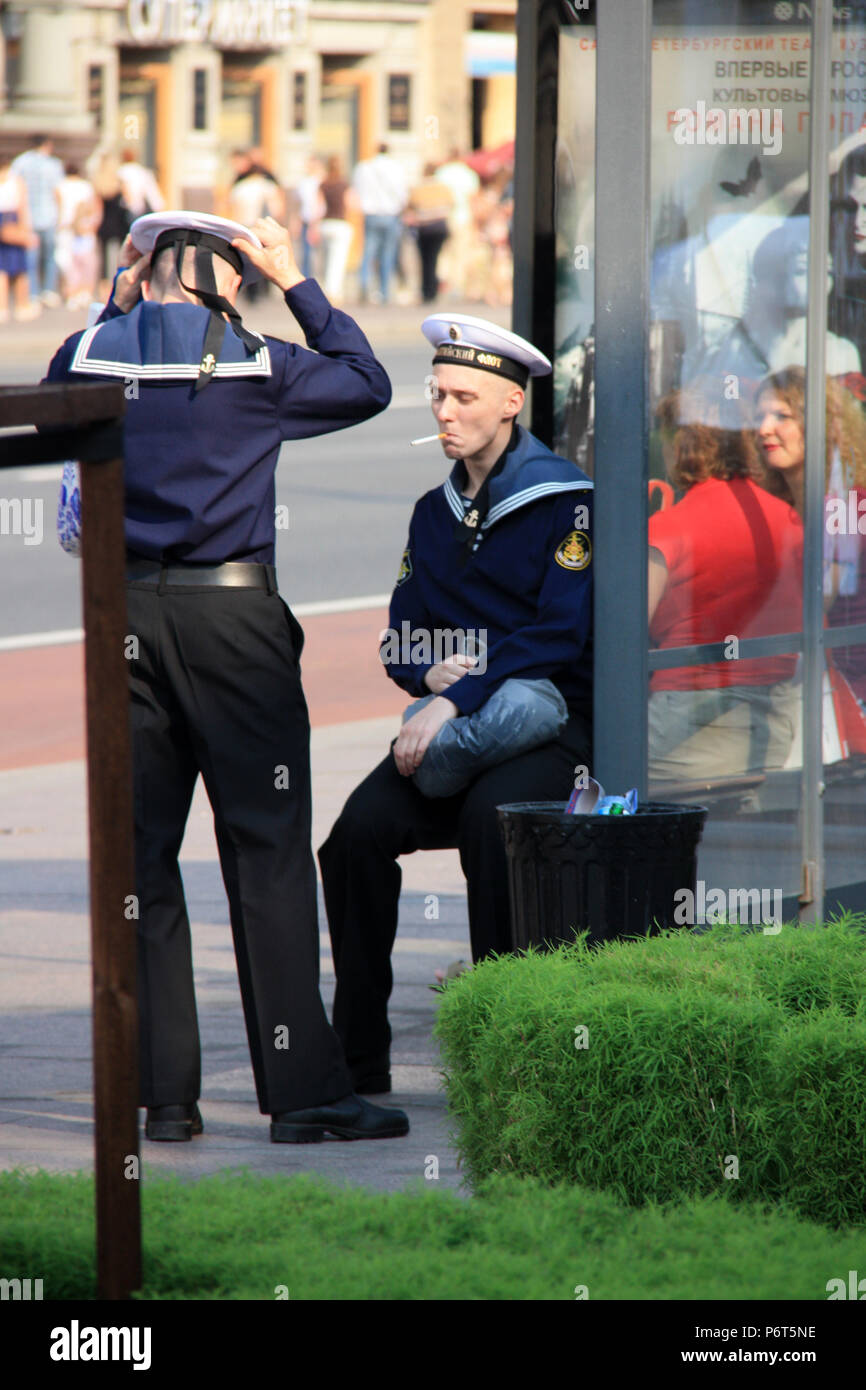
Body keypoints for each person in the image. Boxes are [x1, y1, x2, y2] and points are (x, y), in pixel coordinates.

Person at [43, 209, 408, 1145]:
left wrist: (114, 298)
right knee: (267, 849)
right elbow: (369, 382)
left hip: (123, 618)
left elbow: (54, 399)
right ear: (233, 279)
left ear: (149, 272)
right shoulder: (259, 364)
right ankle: (301, 1094)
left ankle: (163, 1095)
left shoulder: (95, 354)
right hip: (233, 621)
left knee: (142, 858)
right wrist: (297, 279)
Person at [318, 313, 594, 1095]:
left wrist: (460, 695)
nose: (444, 411)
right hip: (460, 723)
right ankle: (359, 1059)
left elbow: (557, 636)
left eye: (464, 397)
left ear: (511, 403)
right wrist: (426, 681)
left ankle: (503, 1051)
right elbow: (403, 632)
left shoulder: (566, 503)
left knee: (490, 826)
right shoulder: (431, 512)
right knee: (353, 840)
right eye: (437, 394)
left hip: (552, 726)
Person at [647, 384, 804, 784]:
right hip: (773, 723)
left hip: (681, 724)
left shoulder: (668, 526)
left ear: (679, 445)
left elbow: (624, 634)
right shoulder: (787, 517)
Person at [756, 366, 866, 708]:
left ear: (823, 424)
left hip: (849, 699)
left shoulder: (850, 504)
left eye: (781, 416)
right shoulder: (776, 508)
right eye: (759, 417)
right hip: (801, 691)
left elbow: (810, 604)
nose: (763, 429)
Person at [11, 134, 63, 307]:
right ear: (47, 145)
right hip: (49, 214)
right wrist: (61, 215)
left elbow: (15, 188)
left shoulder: (21, 162)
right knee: (49, 255)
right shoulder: (53, 164)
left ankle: (33, 293)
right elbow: (57, 192)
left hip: (29, 215)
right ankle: (48, 291)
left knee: (31, 257)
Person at [352, 143, 408, 304]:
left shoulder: (364, 167)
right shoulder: (396, 168)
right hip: (390, 213)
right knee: (387, 253)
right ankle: (384, 291)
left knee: (368, 252)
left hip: (371, 213)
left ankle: (364, 283)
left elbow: (357, 189)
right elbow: (401, 192)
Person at [403, 163, 453, 303]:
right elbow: (451, 203)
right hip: (439, 226)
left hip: (424, 227)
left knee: (425, 260)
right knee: (434, 259)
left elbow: (410, 205)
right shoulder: (443, 188)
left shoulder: (419, 188)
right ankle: (432, 289)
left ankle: (426, 290)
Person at [434, 149, 480, 298]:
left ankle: (443, 281)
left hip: (443, 217)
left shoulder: (442, 172)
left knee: (444, 251)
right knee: (461, 251)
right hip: (463, 216)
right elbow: (474, 198)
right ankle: (457, 286)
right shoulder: (468, 174)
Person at [54, 162, 100, 309]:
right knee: (86, 263)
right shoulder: (86, 186)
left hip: (66, 229)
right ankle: (84, 292)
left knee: (68, 263)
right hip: (84, 227)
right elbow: (93, 207)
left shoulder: (60, 185)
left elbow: (58, 207)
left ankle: (71, 294)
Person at [0, 155, 39, 322]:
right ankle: (22, 305)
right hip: (12, 219)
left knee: (1, 269)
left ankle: (2, 307)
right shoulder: (15, 181)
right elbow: (23, 206)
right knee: (20, 268)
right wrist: (26, 231)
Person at [317, 155, 356, 304]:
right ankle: (333, 292)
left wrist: (314, 226)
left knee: (326, 260)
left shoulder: (323, 184)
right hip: (340, 224)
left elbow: (319, 207)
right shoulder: (344, 184)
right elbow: (350, 204)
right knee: (337, 261)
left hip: (326, 223)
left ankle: (327, 290)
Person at [295, 155, 325, 281]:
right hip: (305, 219)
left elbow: (320, 204)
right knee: (306, 252)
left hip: (318, 220)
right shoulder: (304, 183)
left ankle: (316, 278)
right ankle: (306, 278)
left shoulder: (321, 182)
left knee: (318, 252)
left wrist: (316, 223)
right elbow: (298, 204)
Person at [117, 148, 165, 219]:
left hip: (126, 210)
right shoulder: (142, 172)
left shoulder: (121, 171)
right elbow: (153, 194)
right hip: (140, 210)